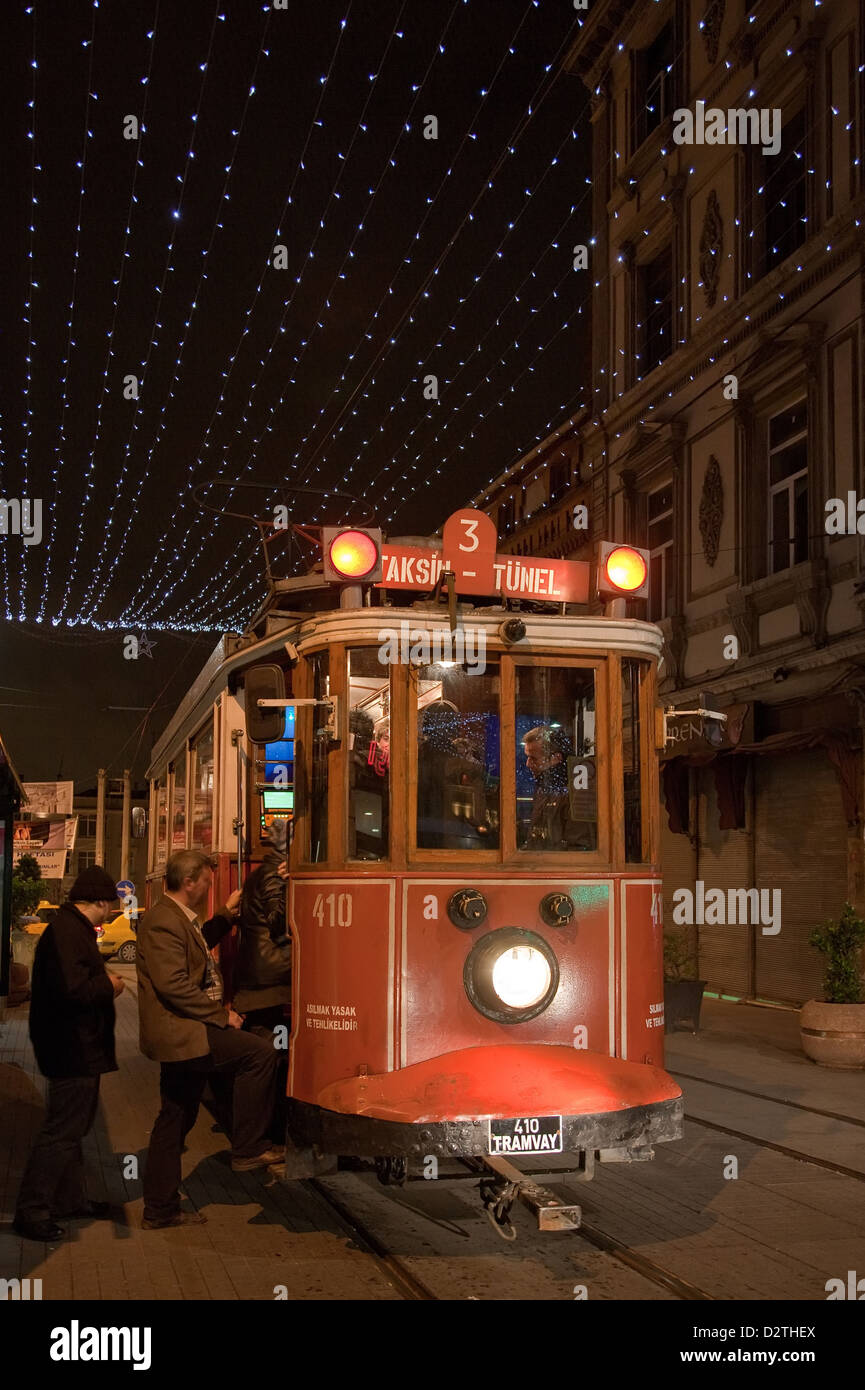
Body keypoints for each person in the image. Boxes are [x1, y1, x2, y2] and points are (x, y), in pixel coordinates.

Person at [136, 850, 284, 1230]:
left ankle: (159, 1208)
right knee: (259, 1054)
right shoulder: (162, 922)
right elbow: (174, 985)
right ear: (189, 883)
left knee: (175, 1118)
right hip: (186, 1034)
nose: (207, 886)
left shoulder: (176, 919)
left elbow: (195, 944)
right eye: (205, 880)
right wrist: (222, 1015)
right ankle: (249, 1147)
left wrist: (223, 915)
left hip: (189, 1032)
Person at [14, 865, 125, 1243]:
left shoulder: (70, 930)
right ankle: (33, 1211)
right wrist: (107, 985)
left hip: (74, 1046)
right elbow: (74, 989)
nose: (112, 911)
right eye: (110, 904)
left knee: (73, 1129)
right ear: (97, 902)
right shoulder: (67, 933)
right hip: (72, 1048)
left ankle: (70, 1199)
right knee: (61, 1132)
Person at [234, 819, 292, 1034]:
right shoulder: (275, 873)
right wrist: (289, 885)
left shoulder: (267, 870)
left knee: (268, 1045)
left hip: (263, 979)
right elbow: (277, 922)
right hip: (272, 983)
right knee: (270, 1049)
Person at [522, 724, 596, 850]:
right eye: (527, 758)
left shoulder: (576, 789)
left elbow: (579, 846)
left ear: (556, 758)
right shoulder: (545, 788)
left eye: (533, 758)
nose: (528, 764)